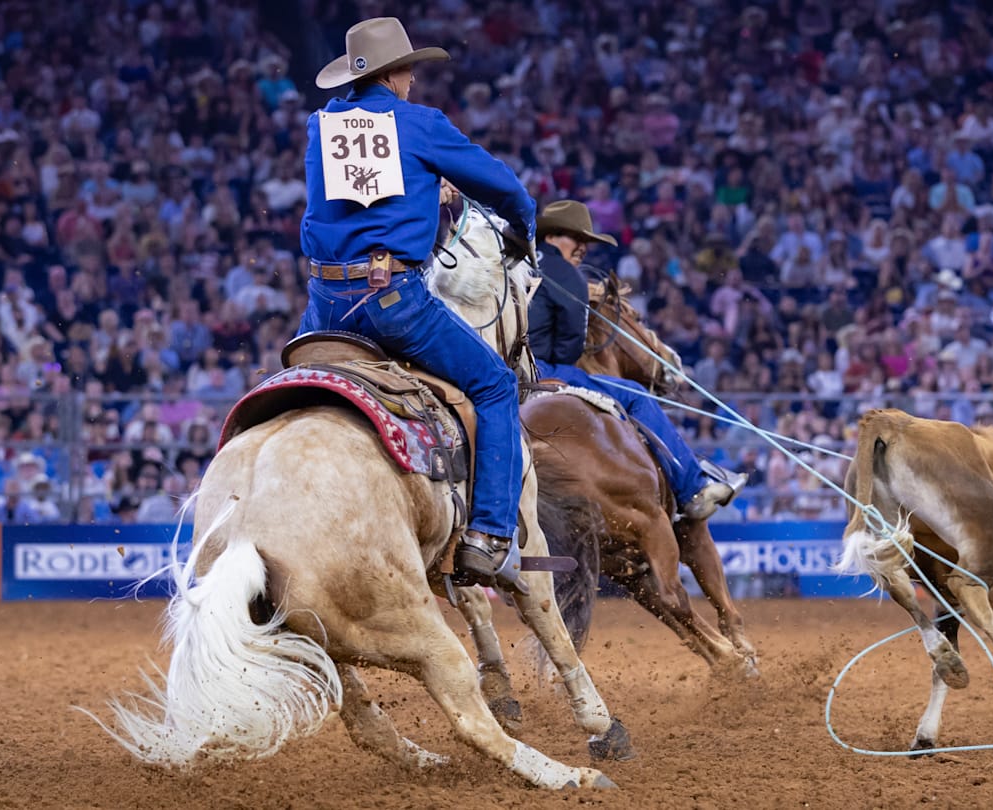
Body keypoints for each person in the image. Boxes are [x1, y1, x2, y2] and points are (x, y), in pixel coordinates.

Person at [296, 17, 537, 591]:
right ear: (394, 73)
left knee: (289, 386)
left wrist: (425, 187)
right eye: (408, 70)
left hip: (324, 305)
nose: (413, 80)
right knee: (495, 385)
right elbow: (502, 185)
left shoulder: (320, 125)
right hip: (391, 302)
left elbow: (361, 198)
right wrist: (523, 224)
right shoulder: (421, 124)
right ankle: (489, 535)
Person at [528, 200, 746, 520]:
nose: (583, 247)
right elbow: (570, 346)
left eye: (586, 241)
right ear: (551, 237)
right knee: (636, 395)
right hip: (541, 370)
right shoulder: (566, 274)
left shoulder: (521, 266)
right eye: (576, 238)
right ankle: (693, 488)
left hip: (506, 368)